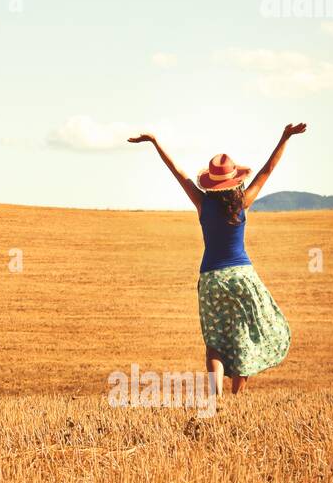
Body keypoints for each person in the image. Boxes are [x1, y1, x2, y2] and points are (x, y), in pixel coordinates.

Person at [128, 124, 306, 396]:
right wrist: (285, 137)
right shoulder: (241, 203)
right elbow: (267, 170)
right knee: (243, 336)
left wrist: (154, 142)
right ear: (235, 181)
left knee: (215, 343)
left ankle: (216, 396)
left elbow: (178, 172)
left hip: (211, 277)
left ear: (211, 182)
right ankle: (238, 397)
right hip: (242, 276)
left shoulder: (202, 204)